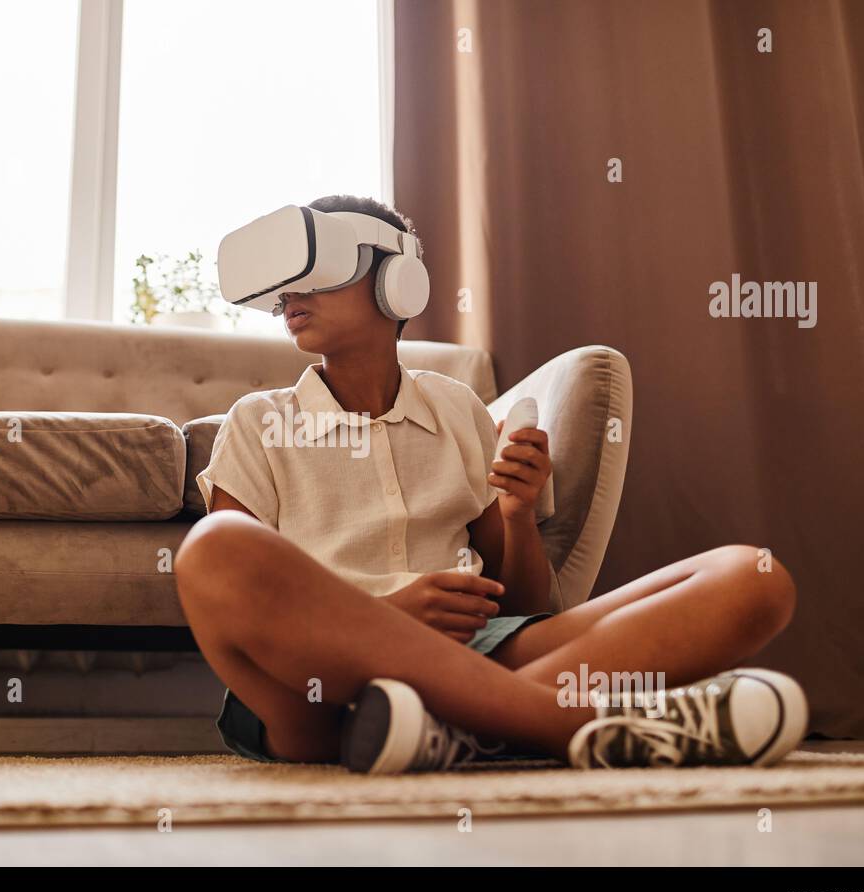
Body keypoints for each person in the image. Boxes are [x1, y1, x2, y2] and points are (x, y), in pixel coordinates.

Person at [175, 194, 806, 773]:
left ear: (398, 281)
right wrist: (386, 619)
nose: (291, 296)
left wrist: (519, 513)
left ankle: (452, 730)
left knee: (754, 577)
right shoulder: (259, 422)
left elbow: (527, 606)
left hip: (479, 650)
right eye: (287, 282)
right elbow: (243, 603)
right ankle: (571, 723)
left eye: (323, 272)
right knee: (212, 548)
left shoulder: (458, 410)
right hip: (314, 689)